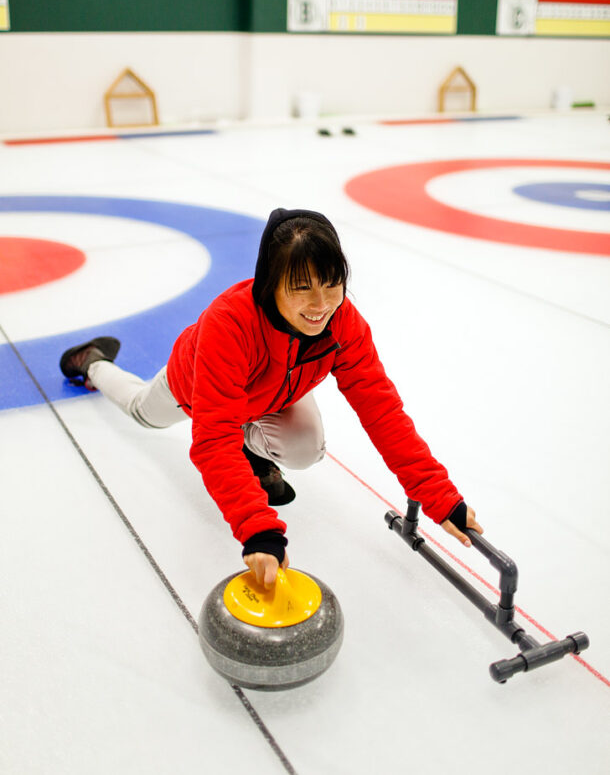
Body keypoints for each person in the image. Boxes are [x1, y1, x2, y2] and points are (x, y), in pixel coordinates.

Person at [60, 207, 483, 588]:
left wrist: (440, 497)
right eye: (301, 287)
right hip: (195, 386)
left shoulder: (343, 322)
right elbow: (213, 440)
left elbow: (382, 409)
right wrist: (257, 529)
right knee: (141, 411)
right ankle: (92, 361)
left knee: (305, 446)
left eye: (332, 283)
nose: (321, 304)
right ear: (270, 282)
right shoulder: (228, 324)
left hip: (271, 394)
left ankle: (253, 449)